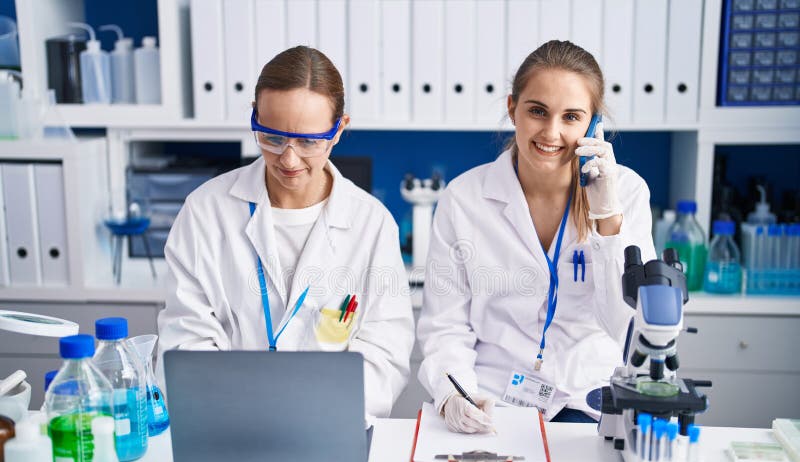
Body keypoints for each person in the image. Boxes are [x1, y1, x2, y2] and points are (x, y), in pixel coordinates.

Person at [157, 46, 414, 418]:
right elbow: (184, 341)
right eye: (272, 138)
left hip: (329, 423)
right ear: (254, 119)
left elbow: (384, 356)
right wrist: (240, 407)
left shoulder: (371, 225)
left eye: (308, 142)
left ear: (339, 130)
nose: (289, 160)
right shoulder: (206, 212)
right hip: (227, 422)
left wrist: (311, 410)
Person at [417, 40, 656, 432]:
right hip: (488, 398)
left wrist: (607, 219)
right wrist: (453, 394)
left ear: (594, 123)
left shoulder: (626, 192)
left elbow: (628, 325)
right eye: (537, 112)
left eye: (572, 117)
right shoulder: (464, 199)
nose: (552, 132)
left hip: (588, 399)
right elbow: (445, 326)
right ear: (512, 109)